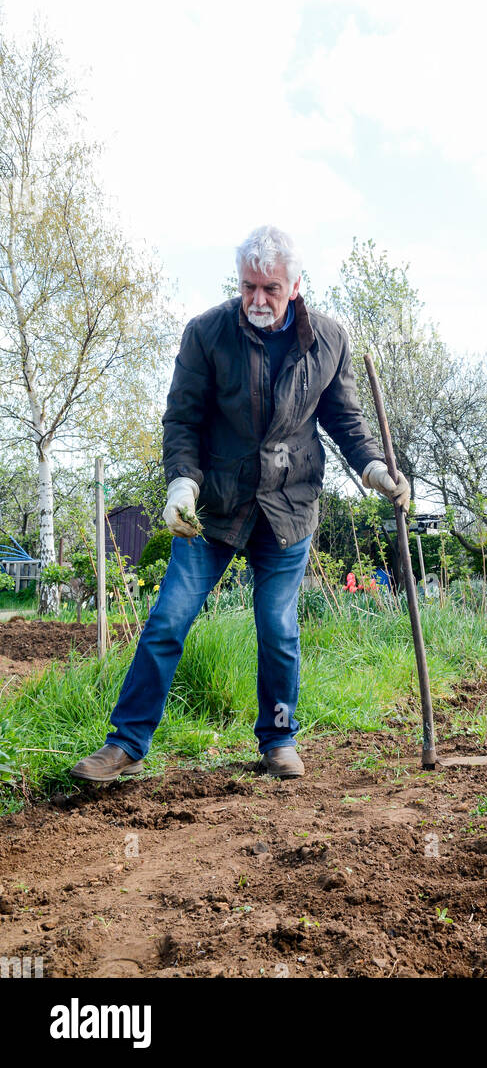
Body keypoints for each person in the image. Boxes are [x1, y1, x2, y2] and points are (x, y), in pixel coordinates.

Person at [71, 225, 409, 784]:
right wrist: (182, 485)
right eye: (248, 286)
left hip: (288, 508)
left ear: (295, 286)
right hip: (217, 509)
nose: (257, 299)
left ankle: (278, 738)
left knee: (278, 627)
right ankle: (125, 744)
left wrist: (374, 467)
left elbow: (345, 421)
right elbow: (183, 419)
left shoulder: (328, 341)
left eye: (270, 289)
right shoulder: (206, 334)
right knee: (167, 621)